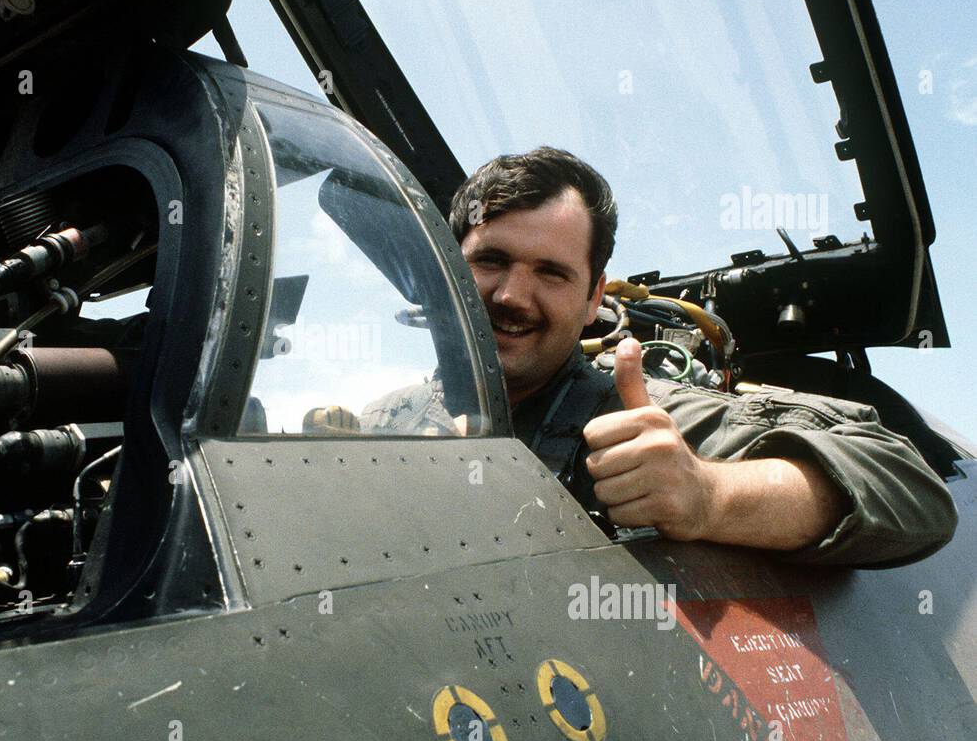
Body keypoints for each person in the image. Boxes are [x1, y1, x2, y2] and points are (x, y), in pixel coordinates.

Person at [365, 146, 957, 566]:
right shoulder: (380, 425)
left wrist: (708, 496)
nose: (513, 296)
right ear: (446, 265)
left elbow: (907, 486)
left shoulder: (634, 418)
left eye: (551, 272)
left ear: (595, 295)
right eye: (490, 260)